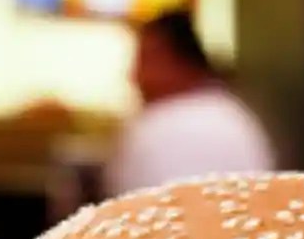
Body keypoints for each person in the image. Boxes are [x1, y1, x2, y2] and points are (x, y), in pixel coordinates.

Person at [107, 12, 274, 193]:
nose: (134, 77)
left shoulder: (165, 126)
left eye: (145, 60)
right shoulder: (232, 113)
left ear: (179, 61)